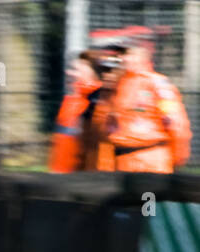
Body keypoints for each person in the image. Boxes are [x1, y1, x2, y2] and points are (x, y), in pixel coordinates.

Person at [97, 27, 191, 172]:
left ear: (143, 54)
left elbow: (175, 123)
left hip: (150, 162)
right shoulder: (117, 85)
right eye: (122, 54)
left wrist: (178, 157)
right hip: (122, 161)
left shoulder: (158, 84)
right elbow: (106, 127)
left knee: (148, 195)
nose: (124, 59)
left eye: (129, 54)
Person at [49, 51, 111, 172]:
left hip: (85, 174)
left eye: (76, 70)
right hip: (62, 171)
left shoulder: (99, 101)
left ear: (91, 72)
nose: (69, 73)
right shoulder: (71, 101)